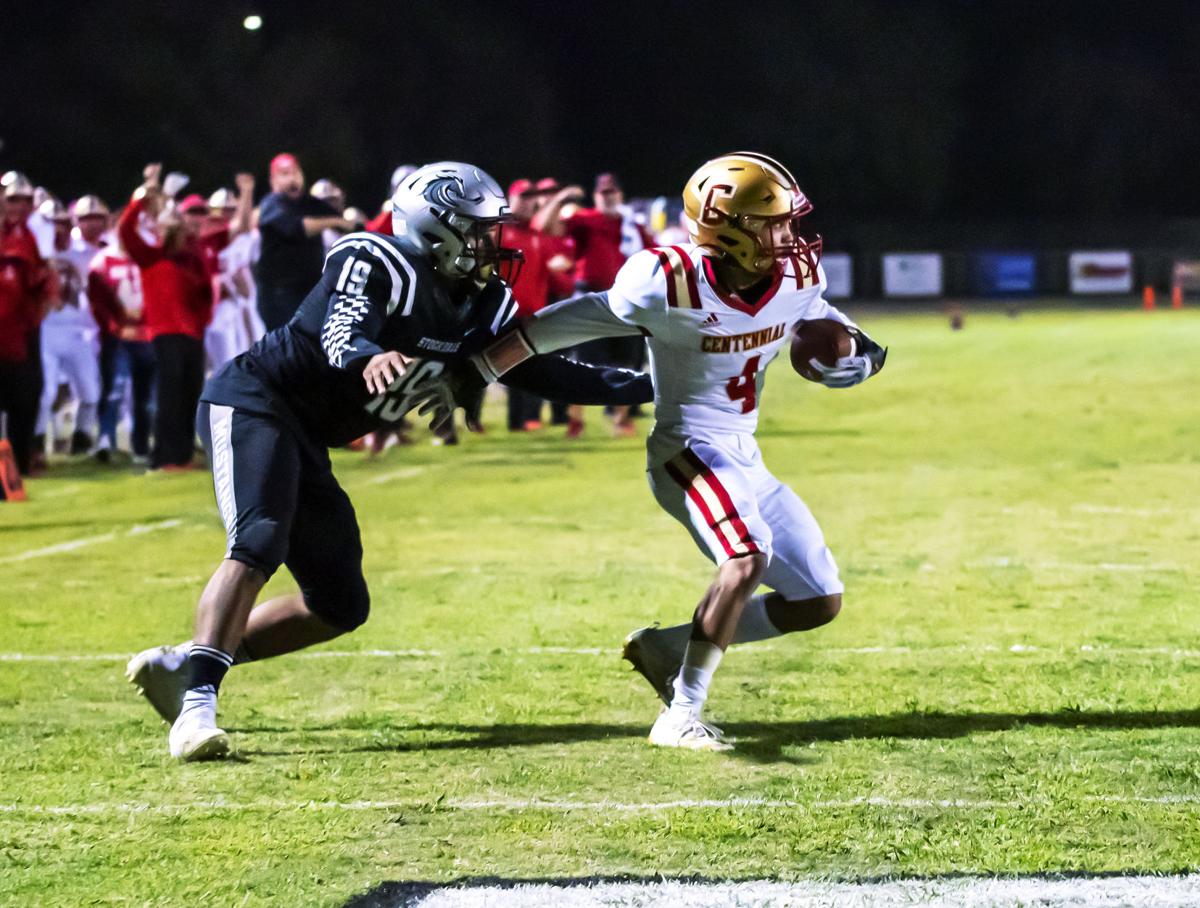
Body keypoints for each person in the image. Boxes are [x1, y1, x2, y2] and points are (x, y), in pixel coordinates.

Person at [125, 161, 652, 761]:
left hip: (309, 435)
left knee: (340, 604)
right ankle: (195, 709)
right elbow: (343, 324)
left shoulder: (483, 301)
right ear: (436, 229)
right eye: (478, 230)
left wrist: (647, 386)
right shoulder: (376, 259)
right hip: (254, 403)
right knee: (259, 541)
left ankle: (182, 666)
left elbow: (534, 367)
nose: (492, 243)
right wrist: (364, 356)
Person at [463, 152, 887, 751]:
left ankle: (664, 647)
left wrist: (858, 361)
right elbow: (576, 319)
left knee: (818, 600)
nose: (790, 235)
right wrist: (480, 367)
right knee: (747, 556)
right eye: (776, 223)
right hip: (686, 446)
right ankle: (680, 714)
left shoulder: (794, 278)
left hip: (743, 452)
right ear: (731, 231)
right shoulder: (666, 280)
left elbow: (839, 329)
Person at [535, 172, 653, 437]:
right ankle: (576, 419)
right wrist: (560, 198)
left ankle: (620, 420)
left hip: (628, 301)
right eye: (603, 192)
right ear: (596, 196)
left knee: (629, 363)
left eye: (612, 191)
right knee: (586, 364)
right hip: (592, 298)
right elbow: (543, 226)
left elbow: (654, 253)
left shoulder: (632, 225)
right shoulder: (587, 220)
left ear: (620, 195)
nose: (608, 196)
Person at [118, 164, 215, 471]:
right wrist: (143, 198)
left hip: (191, 334)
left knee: (189, 395)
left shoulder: (191, 257)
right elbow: (125, 229)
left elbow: (205, 296)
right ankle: (165, 456)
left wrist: (200, 327)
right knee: (170, 395)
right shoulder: (150, 256)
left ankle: (184, 453)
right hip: (166, 332)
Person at [34, 197, 103, 455]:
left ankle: (82, 436)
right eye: (51, 224)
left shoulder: (82, 251)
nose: (57, 229)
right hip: (46, 329)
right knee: (47, 391)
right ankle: (37, 439)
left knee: (91, 390)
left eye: (61, 223)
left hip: (78, 331)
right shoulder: (35, 253)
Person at [254, 153, 353, 331]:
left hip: (308, 290)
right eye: (284, 174)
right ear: (273, 180)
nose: (292, 179)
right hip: (280, 293)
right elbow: (297, 228)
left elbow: (346, 222)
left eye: (295, 172)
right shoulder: (272, 204)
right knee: (288, 347)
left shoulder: (308, 203)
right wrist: (334, 222)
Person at [88, 226, 154, 463]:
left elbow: (156, 292)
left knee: (145, 396)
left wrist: (146, 318)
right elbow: (97, 300)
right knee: (114, 389)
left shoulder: (146, 257)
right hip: (118, 335)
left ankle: (141, 446)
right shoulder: (102, 261)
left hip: (145, 334)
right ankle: (105, 439)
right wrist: (114, 325)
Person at [0, 172, 50, 474]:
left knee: (24, 400)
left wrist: (41, 302)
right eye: (10, 199)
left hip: (19, 334)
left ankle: (17, 465)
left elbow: (38, 279)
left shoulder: (26, 235)